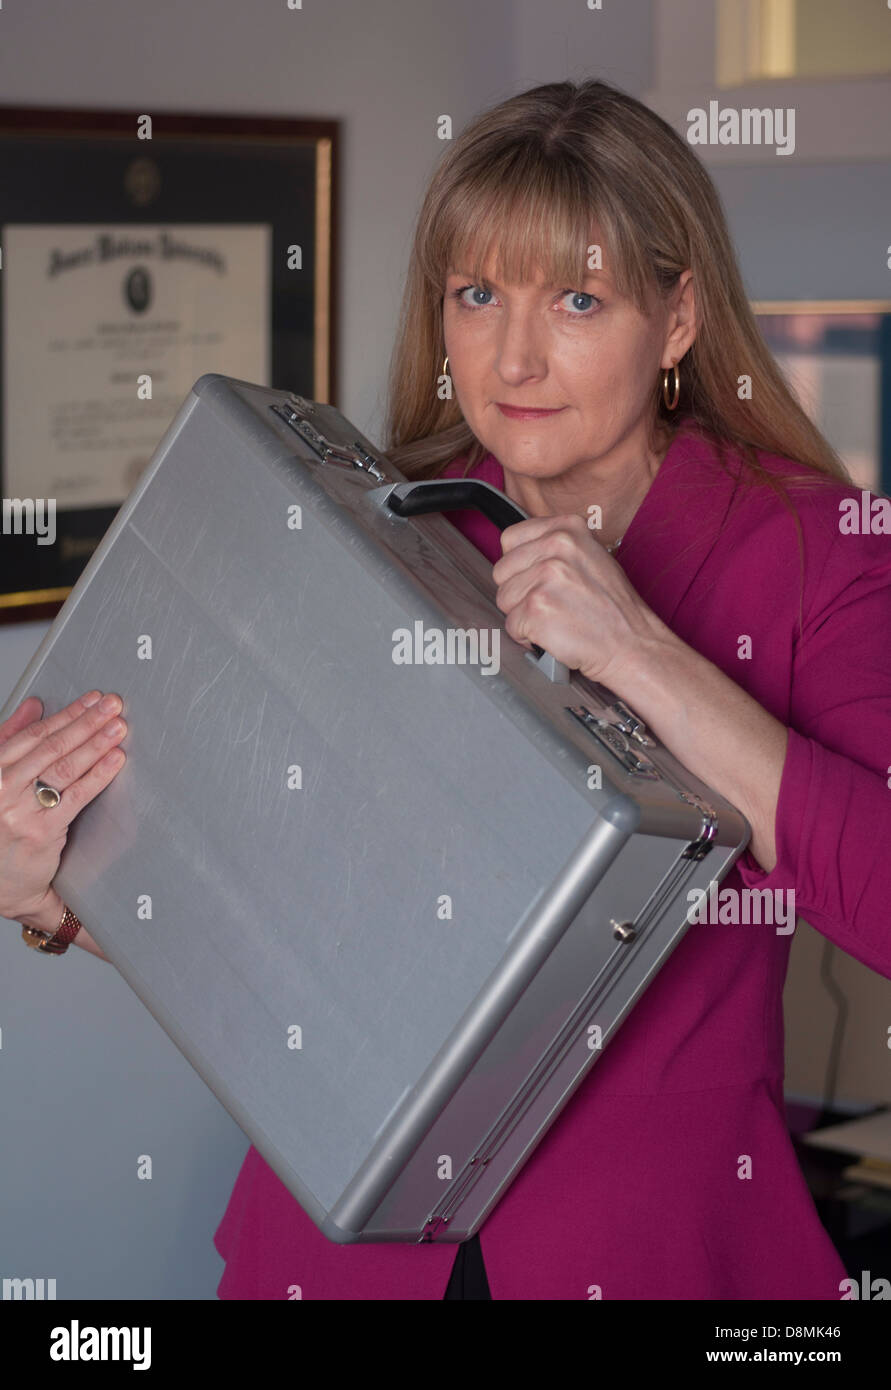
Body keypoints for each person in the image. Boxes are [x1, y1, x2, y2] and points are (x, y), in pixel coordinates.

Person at [3, 77, 889, 1300]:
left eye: (577, 300)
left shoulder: (811, 547)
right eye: (479, 295)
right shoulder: (362, 520)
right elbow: (295, 959)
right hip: (332, 1259)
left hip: (653, 1260)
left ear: (677, 317)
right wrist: (55, 896)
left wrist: (643, 654)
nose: (515, 356)